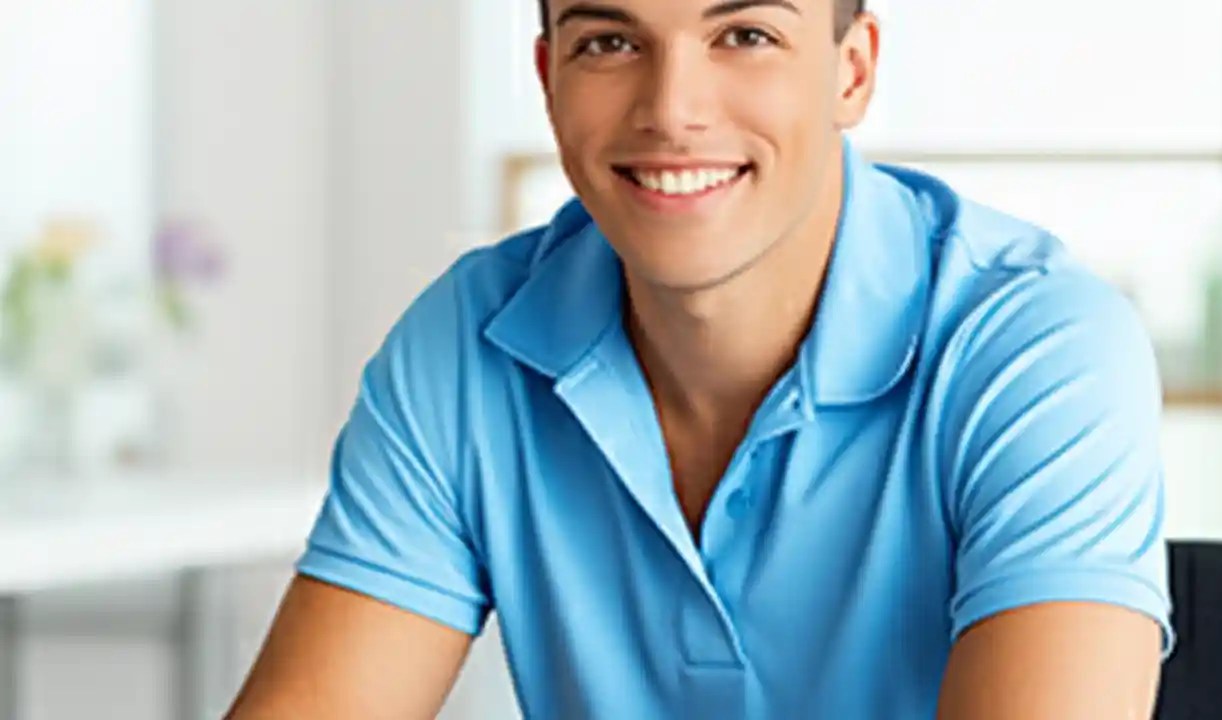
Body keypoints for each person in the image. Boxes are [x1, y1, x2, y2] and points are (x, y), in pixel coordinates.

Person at [227, 0, 1174, 717]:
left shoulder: (1034, 346)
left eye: (746, 35)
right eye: (611, 42)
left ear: (851, 71)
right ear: (549, 75)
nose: (672, 110)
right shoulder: (468, 343)